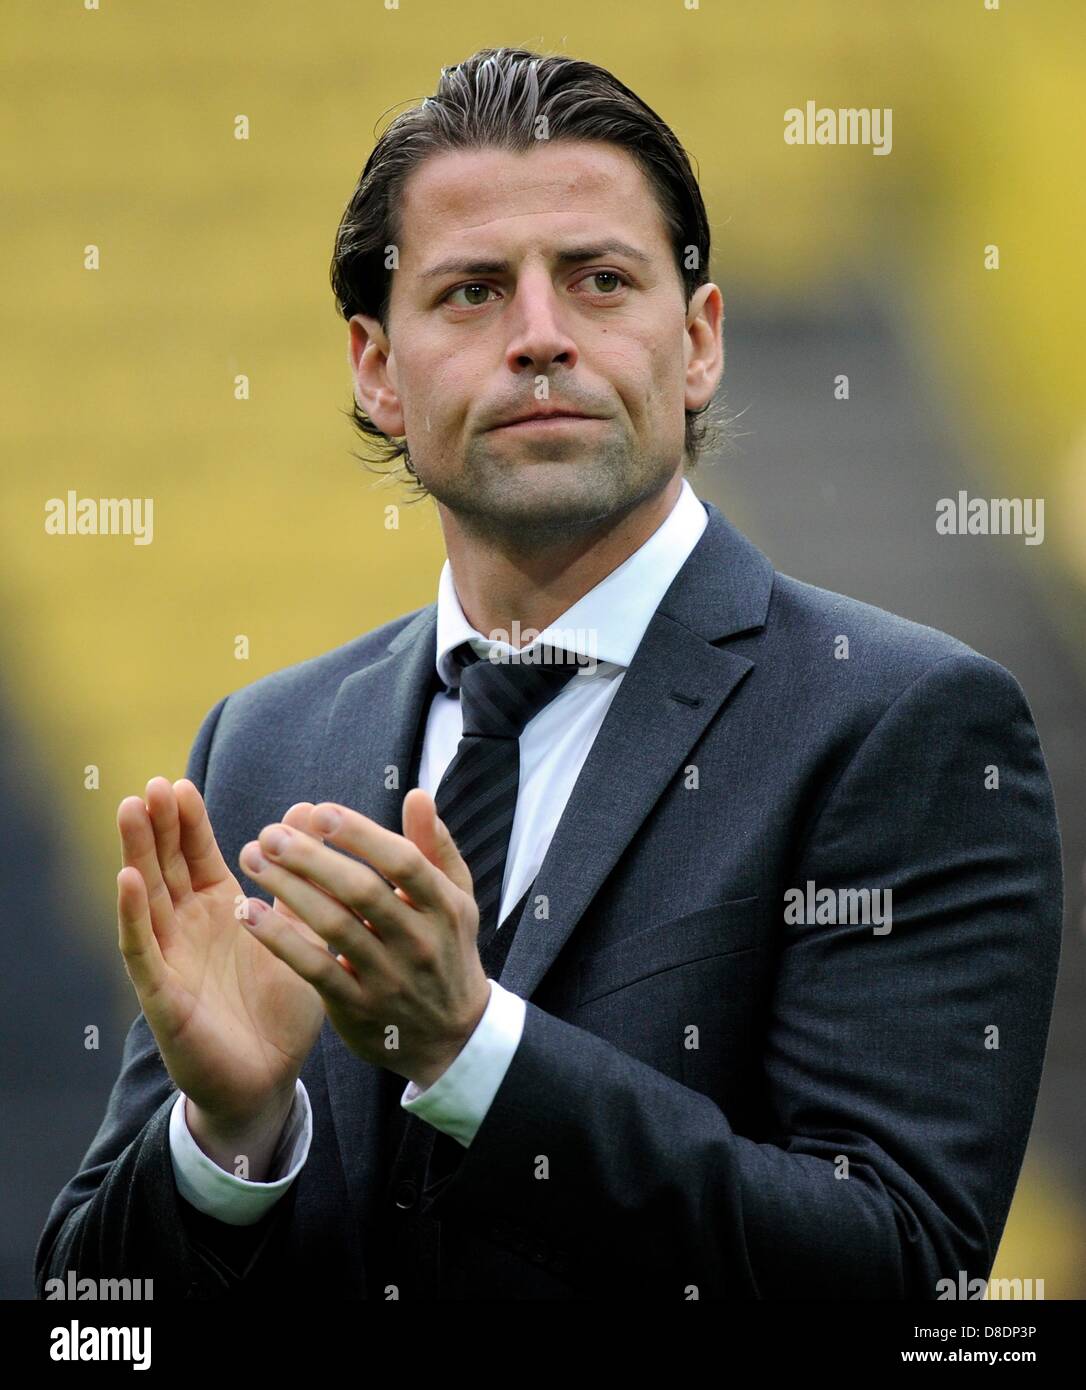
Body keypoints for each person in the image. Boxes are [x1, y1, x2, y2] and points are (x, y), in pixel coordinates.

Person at [36, 46, 1062, 1301]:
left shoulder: (906, 723)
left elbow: (899, 1277)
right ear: (375, 371)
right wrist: (228, 1140)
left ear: (696, 344)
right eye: (471, 291)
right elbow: (93, 1325)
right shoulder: (263, 741)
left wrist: (474, 1050)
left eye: (599, 281)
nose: (538, 338)